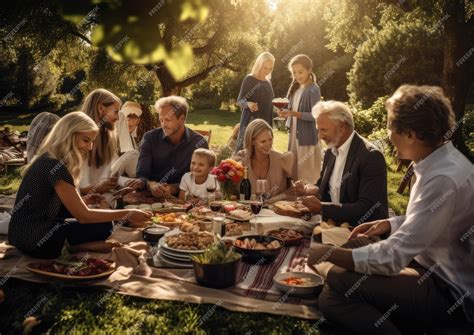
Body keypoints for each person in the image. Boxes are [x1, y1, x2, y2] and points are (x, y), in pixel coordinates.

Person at [308, 85, 474, 334]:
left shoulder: (443, 178)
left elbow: (392, 258)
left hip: (446, 289)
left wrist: (321, 254)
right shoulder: (438, 162)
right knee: (350, 255)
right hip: (424, 264)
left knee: (339, 281)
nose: (387, 135)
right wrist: (391, 223)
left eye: (390, 127)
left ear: (411, 134)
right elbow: (434, 219)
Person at [8, 112, 152, 259]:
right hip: (33, 237)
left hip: (22, 233)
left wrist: (83, 201)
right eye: (85, 140)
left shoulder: (50, 159)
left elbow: (48, 205)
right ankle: (74, 248)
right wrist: (128, 213)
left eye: (92, 141)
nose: (90, 147)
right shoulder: (55, 166)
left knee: (102, 221)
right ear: (68, 135)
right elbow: (83, 216)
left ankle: (72, 247)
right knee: (103, 225)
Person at [296, 100, 388, 226]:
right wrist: (306, 190)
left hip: (361, 231)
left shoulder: (370, 156)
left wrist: (322, 208)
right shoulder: (331, 150)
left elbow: (367, 208)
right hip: (332, 225)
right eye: (318, 130)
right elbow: (324, 187)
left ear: (342, 126)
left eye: (323, 130)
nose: (319, 136)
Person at [80, 89, 143, 207]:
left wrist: (122, 185)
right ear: (100, 108)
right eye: (115, 112)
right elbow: (83, 188)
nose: (118, 118)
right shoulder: (82, 139)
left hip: (102, 194)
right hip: (86, 201)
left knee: (133, 154)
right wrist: (102, 187)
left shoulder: (107, 136)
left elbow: (106, 176)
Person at [136, 96, 209, 198]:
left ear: (182, 119)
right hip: (150, 197)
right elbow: (141, 176)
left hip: (186, 198)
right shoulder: (150, 138)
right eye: (161, 120)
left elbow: (201, 179)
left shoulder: (199, 143)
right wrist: (151, 185)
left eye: (167, 120)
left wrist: (172, 188)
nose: (163, 125)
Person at [279, 54, 322, 183]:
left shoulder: (313, 89)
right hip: (294, 136)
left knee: (306, 174)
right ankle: (295, 200)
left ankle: (307, 200)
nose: (297, 76)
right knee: (293, 171)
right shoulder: (296, 88)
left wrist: (293, 113)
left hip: (307, 138)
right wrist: (285, 112)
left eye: (300, 72)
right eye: (294, 73)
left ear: (309, 70)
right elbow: (292, 111)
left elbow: (315, 116)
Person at [233, 119, 293, 198]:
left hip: (276, 209)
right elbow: (232, 191)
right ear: (252, 141)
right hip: (246, 209)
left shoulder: (282, 160)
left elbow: (292, 190)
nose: (268, 144)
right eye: (263, 141)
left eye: (270, 139)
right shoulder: (241, 160)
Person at [234, 52, 275, 153]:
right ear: (259, 65)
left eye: (270, 68)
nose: (267, 71)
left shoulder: (268, 82)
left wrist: (278, 109)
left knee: (262, 154)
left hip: (266, 124)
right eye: (265, 68)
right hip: (250, 123)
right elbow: (239, 101)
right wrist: (248, 104)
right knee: (245, 153)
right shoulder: (250, 79)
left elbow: (269, 103)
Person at [111, 101, 142, 178]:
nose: (130, 121)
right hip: (109, 174)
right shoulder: (113, 135)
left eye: (134, 117)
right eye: (128, 116)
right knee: (134, 153)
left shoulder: (135, 142)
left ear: (138, 121)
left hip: (125, 178)